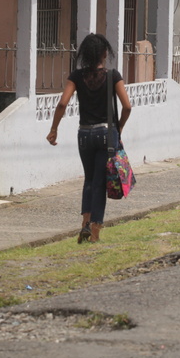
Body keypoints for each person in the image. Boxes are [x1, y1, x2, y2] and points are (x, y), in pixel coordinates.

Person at [46, 33, 131, 244]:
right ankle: (95, 233)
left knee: (89, 180)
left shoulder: (76, 76)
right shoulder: (113, 76)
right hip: (105, 133)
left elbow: (62, 104)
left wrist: (54, 129)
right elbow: (127, 106)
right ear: (104, 53)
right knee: (100, 183)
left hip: (84, 134)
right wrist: (118, 127)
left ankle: (84, 224)